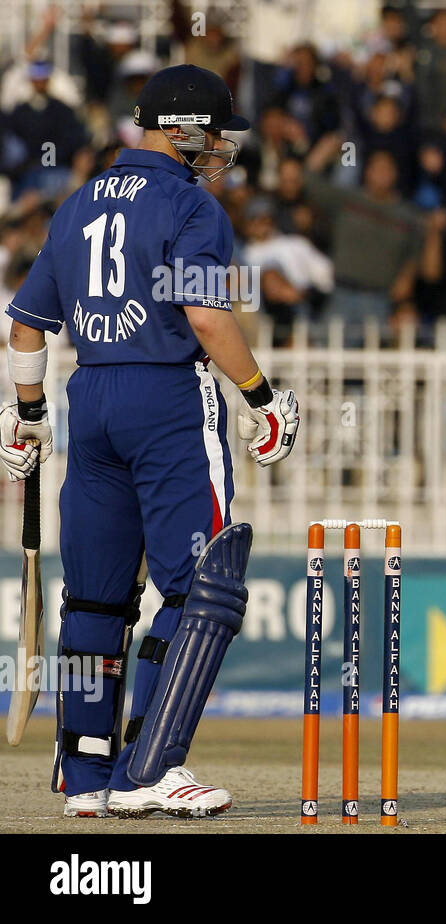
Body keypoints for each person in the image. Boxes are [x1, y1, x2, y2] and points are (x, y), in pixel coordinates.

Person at [1, 65, 299, 818]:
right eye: (213, 133)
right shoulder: (188, 204)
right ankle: (152, 768)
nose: (218, 148)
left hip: (90, 399)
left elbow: (27, 324)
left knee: (96, 600)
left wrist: (27, 415)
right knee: (204, 585)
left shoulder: (74, 205)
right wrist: (262, 397)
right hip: (166, 397)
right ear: (186, 128)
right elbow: (206, 316)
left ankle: (87, 775)